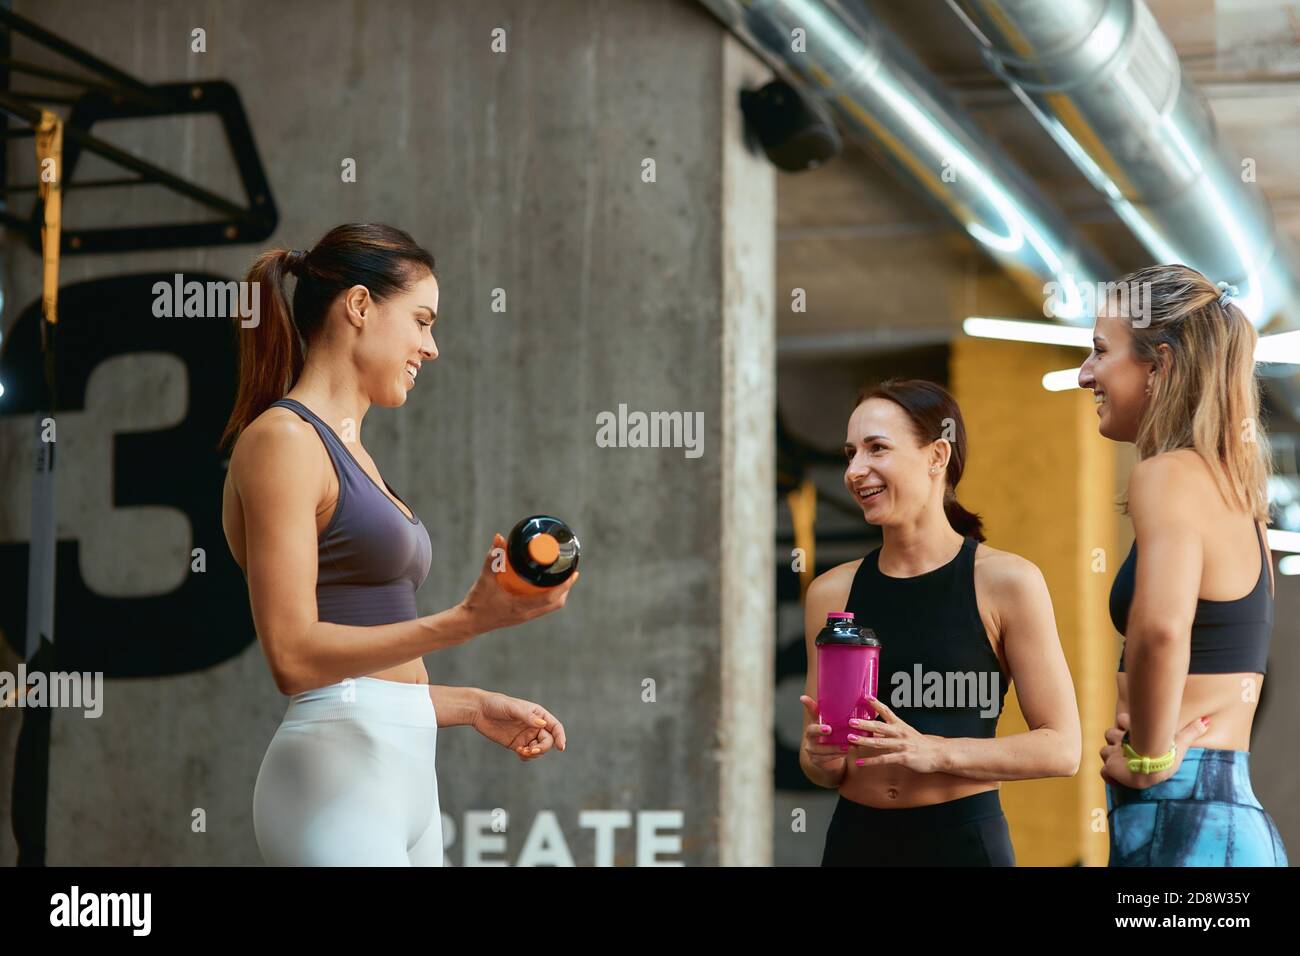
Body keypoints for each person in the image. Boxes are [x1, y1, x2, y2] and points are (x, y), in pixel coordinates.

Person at [218, 223, 578, 865]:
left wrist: (470, 705)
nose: (430, 347)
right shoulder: (284, 441)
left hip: (401, 769)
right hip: (335, 777)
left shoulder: (354, 452)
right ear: (359, 306)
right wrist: (467, 620)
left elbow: (369, 680)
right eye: (421, 321)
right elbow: (295, 660)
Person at [801, 379, 1080, 866]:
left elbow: (1061, 748)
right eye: (850, 453)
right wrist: (820, 760)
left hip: (960, 841)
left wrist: (936, 752)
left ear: (937, 456)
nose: (855, 470)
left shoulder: (1006, 581)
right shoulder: (830, 593)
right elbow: (825, 766)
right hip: (855, 839)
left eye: (876, 449)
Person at [1080, 264, 1288, 866]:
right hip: (1224, 811)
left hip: (1184, 814)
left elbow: (1160, 629)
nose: (1084, 373)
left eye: (1099, 352)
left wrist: (1145, 755)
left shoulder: (1168, 475)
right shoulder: (1236, 494)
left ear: (1160, 364)